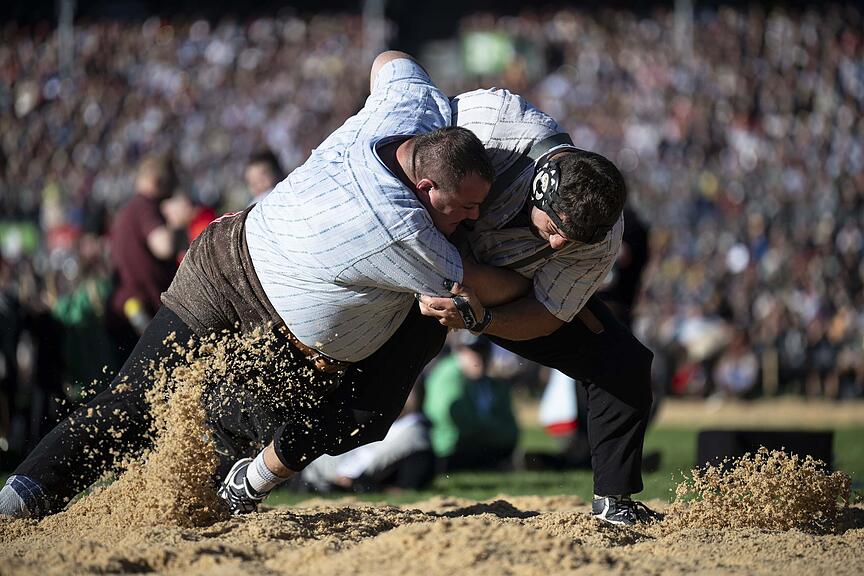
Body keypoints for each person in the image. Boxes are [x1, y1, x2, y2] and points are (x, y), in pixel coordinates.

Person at [0, 52, 519, 519]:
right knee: (134, 400)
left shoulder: (409, 108)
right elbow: (478, 287)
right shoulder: (401, 226)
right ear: (425, 187)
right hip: (228, 280)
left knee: (295, 421)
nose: (474, 219)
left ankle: (197, 497)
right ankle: (19, 501)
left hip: (249, 269)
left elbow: (390, 59)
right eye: (466, 207)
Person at [416, 77, 658, 525]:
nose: (562, 244)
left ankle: (613, 500)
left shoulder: (603, 237)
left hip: (511, 291)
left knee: (624, 364)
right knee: (370, 377)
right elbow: (409, 153)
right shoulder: (495, 125)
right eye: (558, 227)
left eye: (578, 238)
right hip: (416, 250)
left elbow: (547, 314)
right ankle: (289, 460)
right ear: (541, 185)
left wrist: (483, 319)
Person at [104, 155, 193, 356]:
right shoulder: (145, 206)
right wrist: (179, 222)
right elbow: (164, 245)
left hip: (126, 311)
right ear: (158, 181)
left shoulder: (127, 210)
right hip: (142, 313)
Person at [423, 333, 519, 472]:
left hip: (481, 448)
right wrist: (490, 429)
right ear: (458, 352)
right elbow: (455, 423)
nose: (479, 357)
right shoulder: (448, 375)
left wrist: (485, 430)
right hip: (451, 452)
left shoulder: (491, 383)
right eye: (473, 351)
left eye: (483, 350)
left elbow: (511, 431)